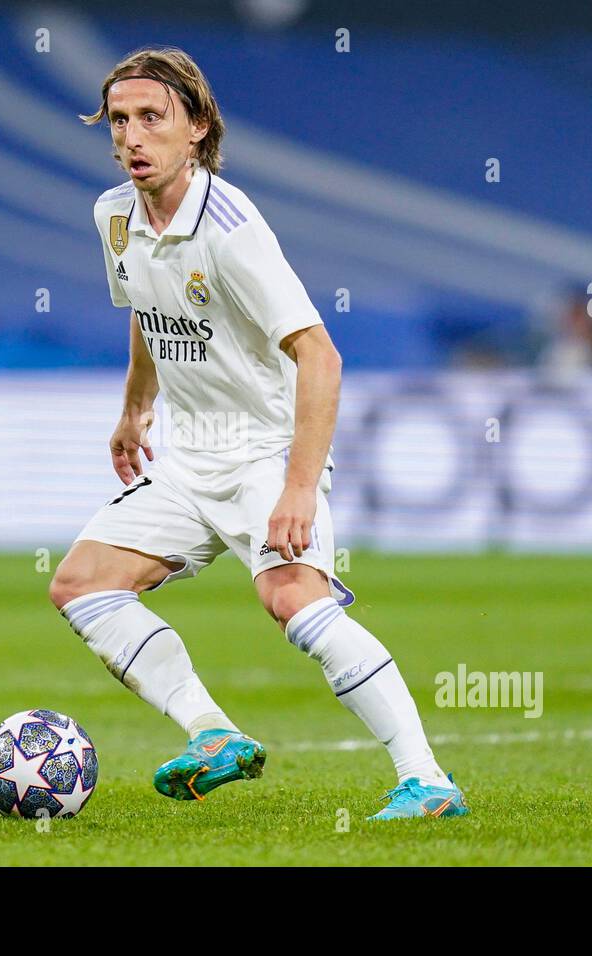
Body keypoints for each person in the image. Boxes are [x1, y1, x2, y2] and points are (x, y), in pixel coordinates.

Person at [48, 47, 468, 820]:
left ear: (197, 127)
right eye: (119, 120)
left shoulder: (233, 229)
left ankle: (428, 780)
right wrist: (136, 405)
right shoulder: (112, 215)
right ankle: (212, 733)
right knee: (80, 584)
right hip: (188, 454)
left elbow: (321, 356)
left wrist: (300, 486)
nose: (132, 137)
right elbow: (146, 306)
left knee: (294, 601)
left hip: (264, 452)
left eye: (152, 118)